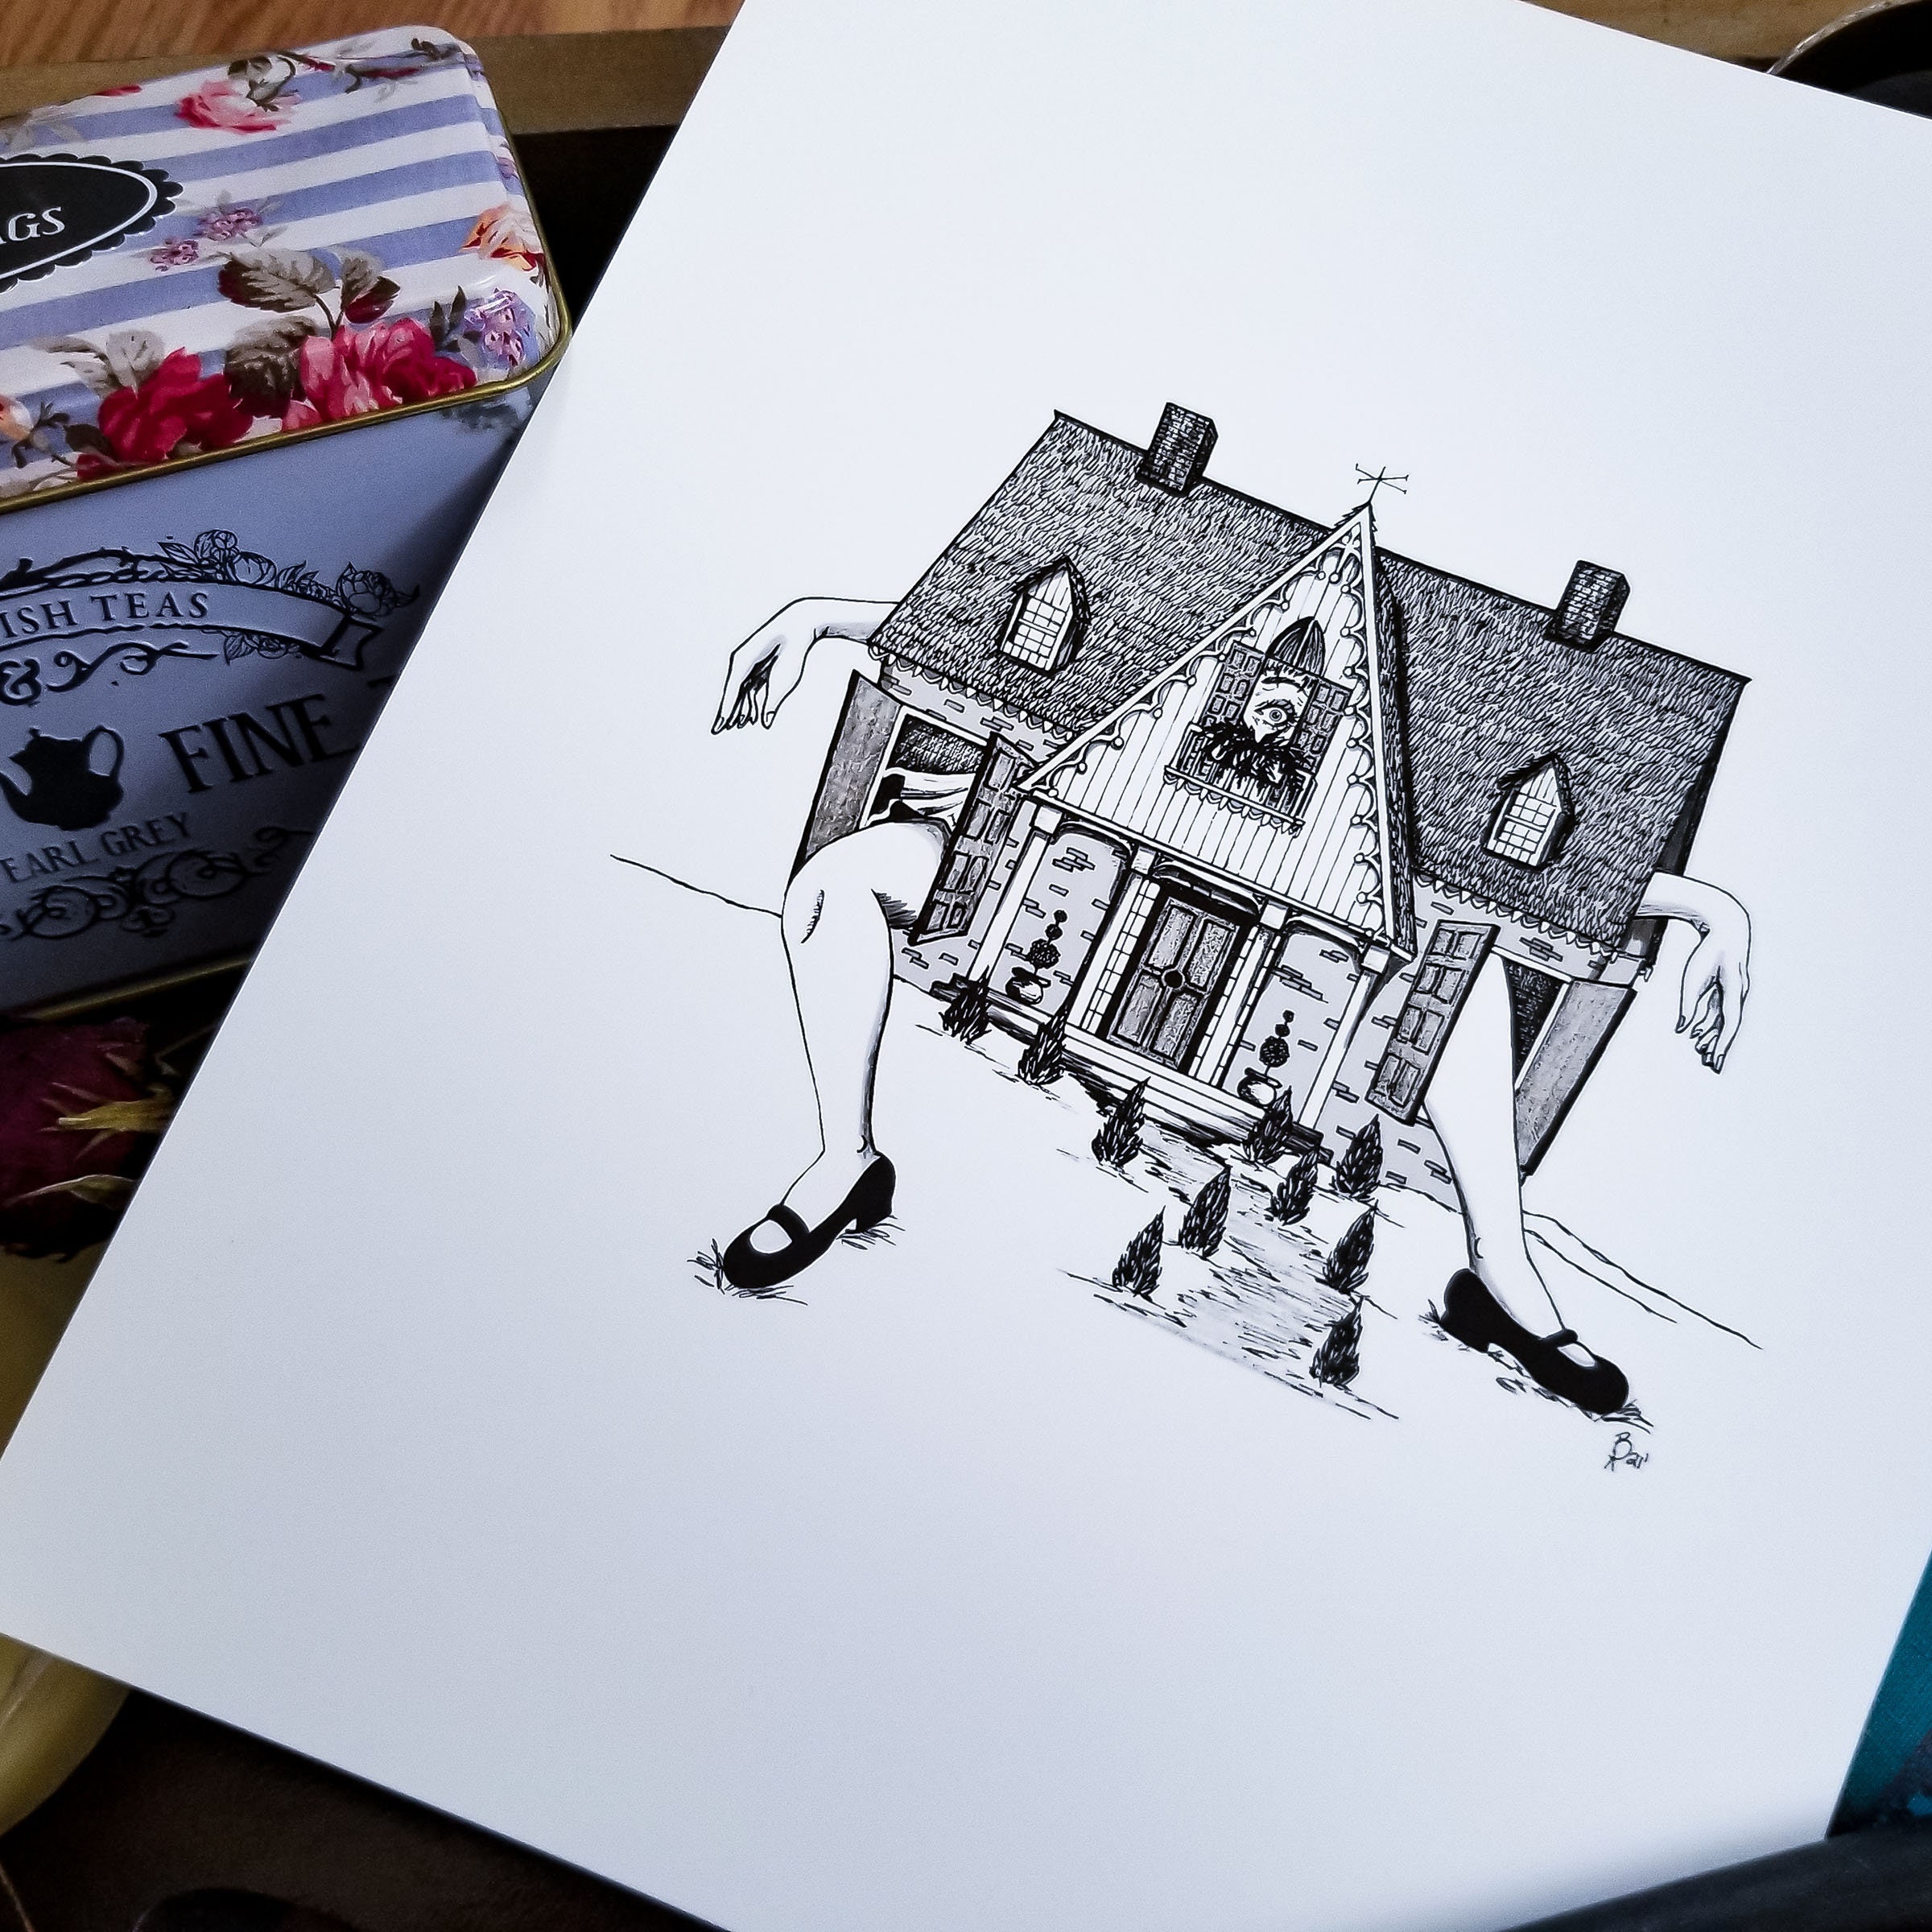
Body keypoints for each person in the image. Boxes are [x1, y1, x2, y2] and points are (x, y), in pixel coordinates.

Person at [712, 597, 1752, 1414]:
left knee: (1471, 971)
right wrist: (816, 616)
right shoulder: (1200, 620)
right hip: (1060, 834)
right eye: (1267, 692)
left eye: (1297, 702)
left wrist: (1715, 912)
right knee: (834, 880)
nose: (1274, 710)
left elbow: (1580, 871)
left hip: (1325, 905)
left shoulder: (1408, 731)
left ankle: (1499, 1273)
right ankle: (846, 1159)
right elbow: (964, 615)